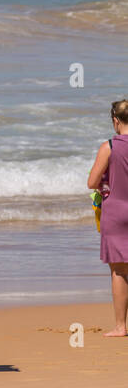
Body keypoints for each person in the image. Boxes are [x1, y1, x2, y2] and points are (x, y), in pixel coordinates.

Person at [86, 99, 128, 336]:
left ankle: (121, 326)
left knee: (120, 270)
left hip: (116, 213)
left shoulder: (109, 147)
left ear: (115, 121)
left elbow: (92, 182)